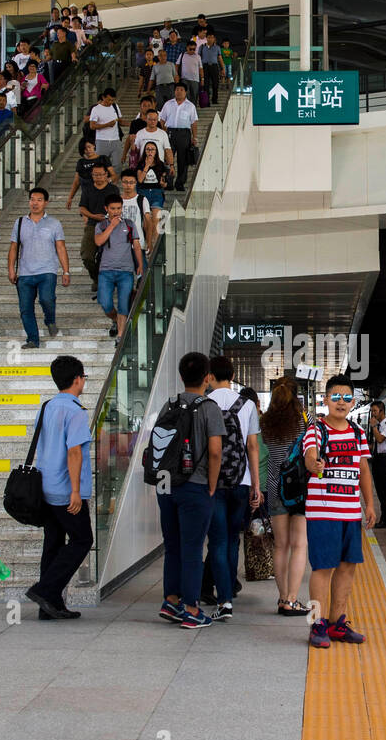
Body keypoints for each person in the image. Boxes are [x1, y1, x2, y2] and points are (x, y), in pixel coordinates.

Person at [304, 373, 375, 649]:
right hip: (323, 513)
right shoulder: (316, 430)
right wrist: (314, 465)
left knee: (347, 568)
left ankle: (336, 623)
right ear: (326, 400)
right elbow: (310, 456)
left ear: (353, 402)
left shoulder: (357, 432)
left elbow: (363, 470)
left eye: (346, 398)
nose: (341, 402)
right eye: (336, 397)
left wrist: (369, 504)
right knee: (323, 568)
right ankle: (315, 624)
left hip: (349, 514)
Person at [156, 352, 225, 629]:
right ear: (207, 377)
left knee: (172, 546)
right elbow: (216, 452)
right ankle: (192, 609)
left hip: (165, 485)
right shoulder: (209, 407)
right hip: (195, 487)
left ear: (182, 376)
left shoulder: (168, 404)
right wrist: (211, 484)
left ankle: (171, 601)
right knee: (193, 549)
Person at [25, 355, 93, 620]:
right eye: (83, 377)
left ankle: (49, 607)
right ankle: (45, 590)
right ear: (77, 379)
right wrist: (75, 491)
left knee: (53, 543)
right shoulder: (75, 411)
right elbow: (74, 452)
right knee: (82, 539)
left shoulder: (46, 407)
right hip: (66, 491)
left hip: (46, 487)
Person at [201, 357, 262, 619]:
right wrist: (256, 485)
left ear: (210, 376)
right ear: (234, 374)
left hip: (211, 483)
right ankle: (230, 589)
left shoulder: (204, 403)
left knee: (216, 540)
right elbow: (252, 447)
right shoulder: (247, 404)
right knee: (232, 537)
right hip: (242, 481)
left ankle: (224, 600)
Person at [261, 377, 310, 615]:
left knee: (280, 545)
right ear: (296, 396)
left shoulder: (265, 422)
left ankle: (282, 599)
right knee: (299, 544)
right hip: (300, 490)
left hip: (274, 488)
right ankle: (292, 599)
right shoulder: (304, 420)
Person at [8, 186, 69, 348]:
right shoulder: (20, 222)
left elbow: (61, 248)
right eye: (32, 199)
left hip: (47, 271)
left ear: (46, 203)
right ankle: (33, 339)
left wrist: (66, 270)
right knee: (25, 309)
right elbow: (14, 247)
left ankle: (50, 320)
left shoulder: (54, 223)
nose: (35, 203)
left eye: (39, 200)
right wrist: (11, 269)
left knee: (46, 299)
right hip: (25, 272)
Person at [93, 194, 143, 338]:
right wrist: (112, 226)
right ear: (106, 209)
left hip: (126, 271)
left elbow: (137, 246)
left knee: (123, 304)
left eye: (119, 208)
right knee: (105, 302)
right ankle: (115, 320)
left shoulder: (129, 224)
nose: (116, 211)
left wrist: (139, 264)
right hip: (106, 270)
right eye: (113, 209)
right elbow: (98, 242)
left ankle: (120, 336)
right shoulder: (101, 225)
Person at [78, 163, 120, 308]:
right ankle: (96, 278)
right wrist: (93, 216)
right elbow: (82, 207)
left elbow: (118, 206)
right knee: (87, 255)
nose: (99, 177)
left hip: (110, 225)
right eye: (95, 174)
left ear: (106, 175)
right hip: (92, 225)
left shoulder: (113, 189)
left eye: (101, 174)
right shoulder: (88, 189)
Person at [159, 83, 198, 192]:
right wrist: (163, 132)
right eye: (177, 89)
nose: (179, 91)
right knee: (168, 159)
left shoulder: (190, 106)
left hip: (184, 134)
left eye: (181, 90)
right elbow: (162, 120)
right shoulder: (168, 104)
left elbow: (194, 123)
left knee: (183, 160)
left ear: (185, 92)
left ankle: (180, 183)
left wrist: (194, 138)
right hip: (170, 133)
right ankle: (168, 182)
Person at [368, 400, 386, 528]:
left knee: (384, 491)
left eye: (375, 411)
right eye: (372, 411)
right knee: (379, 490)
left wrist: (373, 427)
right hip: (378, 459)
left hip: (385, 460)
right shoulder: (379, 425)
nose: (373, 414)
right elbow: (376, 444)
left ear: (381, 411)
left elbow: (379, 440)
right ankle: (385, 517)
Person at [117, 169, 154, 255]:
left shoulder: (142, 200)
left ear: (136, 183)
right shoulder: (117, 201)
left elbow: (149, 222)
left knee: (141, 267)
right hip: (119, 245)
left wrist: (149, 241)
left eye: (131, 182)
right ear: (121, 183)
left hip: (138, 244)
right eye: (125, 182)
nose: (128, 185)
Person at [86, 86, 124, 170]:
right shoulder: (96, 109)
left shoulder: (115, 106)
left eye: (113, 100)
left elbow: (120, 121)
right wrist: (107, 125)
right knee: (100, 165)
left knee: (117, 165)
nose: (110, 102)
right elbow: (92, 126)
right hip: (101, 140)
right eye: (109, 99)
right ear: (103, 97)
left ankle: (114, 181)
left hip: (116, 140)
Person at [134, 141, 170, 228]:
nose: (150, 152)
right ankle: (148, 240)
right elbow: (140, 180)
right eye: (148, 149)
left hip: (156, 193)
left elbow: (164, 183)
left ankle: (154, 241)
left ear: (156, 151)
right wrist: (147, 166)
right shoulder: (140, 164)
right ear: (145, 151)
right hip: (143, 192)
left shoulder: (160, 164)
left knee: (155, 219)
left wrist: (163, 184)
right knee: (146, 221)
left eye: (152, 149)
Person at [200, 32, 222, 105]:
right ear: (206, 38)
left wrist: (223, 68)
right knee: (206, 85)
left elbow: (220, 58)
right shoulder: (202, 47)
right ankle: (207, 101)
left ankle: (215, 100)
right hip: (205, 66)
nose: (210, 39)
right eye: (209, 37)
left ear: (214, 39)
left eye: (212, 37)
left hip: (214, 66)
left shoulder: (217, 47)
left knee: (215, 84)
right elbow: (198, 58)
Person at [178, 41, 202, 106]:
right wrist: (176, 75)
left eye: (194, 49)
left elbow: (200, 68)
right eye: (190, 49)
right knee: (185, 96)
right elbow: (177, 65)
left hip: (195, 80)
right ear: (187, 48)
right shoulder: (182, 55)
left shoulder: (198, 56)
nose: (192, 51)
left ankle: (193, 111)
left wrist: (202, 79)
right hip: (184, 79)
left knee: (194, 96)